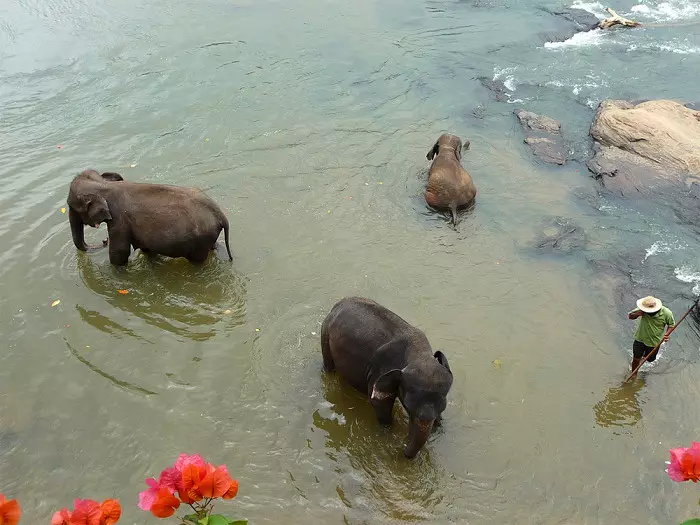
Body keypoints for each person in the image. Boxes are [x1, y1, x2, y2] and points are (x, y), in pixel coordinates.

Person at [628, 296, 675, 378]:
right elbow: (630, 316)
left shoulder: (667, 313)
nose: (647, 312)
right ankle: (634, 374)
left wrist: (666, 334)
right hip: (640, 338)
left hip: (654, 342)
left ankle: (644, 358)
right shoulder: (642, 309)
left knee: (650, 360)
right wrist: (637, 314)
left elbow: (671, 325)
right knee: (636, 359)